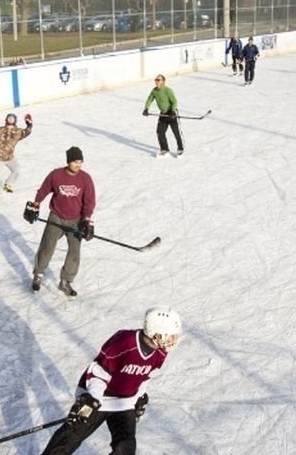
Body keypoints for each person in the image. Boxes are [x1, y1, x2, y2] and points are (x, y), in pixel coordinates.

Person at [39, 307, 182, 455]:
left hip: (124, 403)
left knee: (125, 448)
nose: (174, 340)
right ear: (156, 334)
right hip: (96, 396)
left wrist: (139, 396)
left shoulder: (161, 352)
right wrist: (92, 399)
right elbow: (98, 373)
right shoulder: (124, 342)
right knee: (68, 439)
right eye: (171, 336)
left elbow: (146, 376)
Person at [24, 146, 96, 297]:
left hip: (76, 220)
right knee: (47, 247)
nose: (78, 165)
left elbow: (89, 201)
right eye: (75, 162)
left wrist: (86, 220)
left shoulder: (85, 179)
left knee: (74, 253)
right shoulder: (56, 175)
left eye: (80, 162)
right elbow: (43, 190)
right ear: (68, 161)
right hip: (56, 217)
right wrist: (36, 204)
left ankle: (65, 282)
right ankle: (38, 274)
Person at [142, 75, 182, 157]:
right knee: (160, 132)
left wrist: (172, 111)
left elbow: (174, 102)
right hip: (163, 114)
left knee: (176, 132)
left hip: (171, 113)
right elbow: (149, 99)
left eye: (158, 80)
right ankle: (164, 149)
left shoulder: (167, 90)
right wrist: (146, 108)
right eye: (155, 79)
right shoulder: (154, 91)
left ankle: (180, 148)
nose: (156, 81)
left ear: (163, 81)